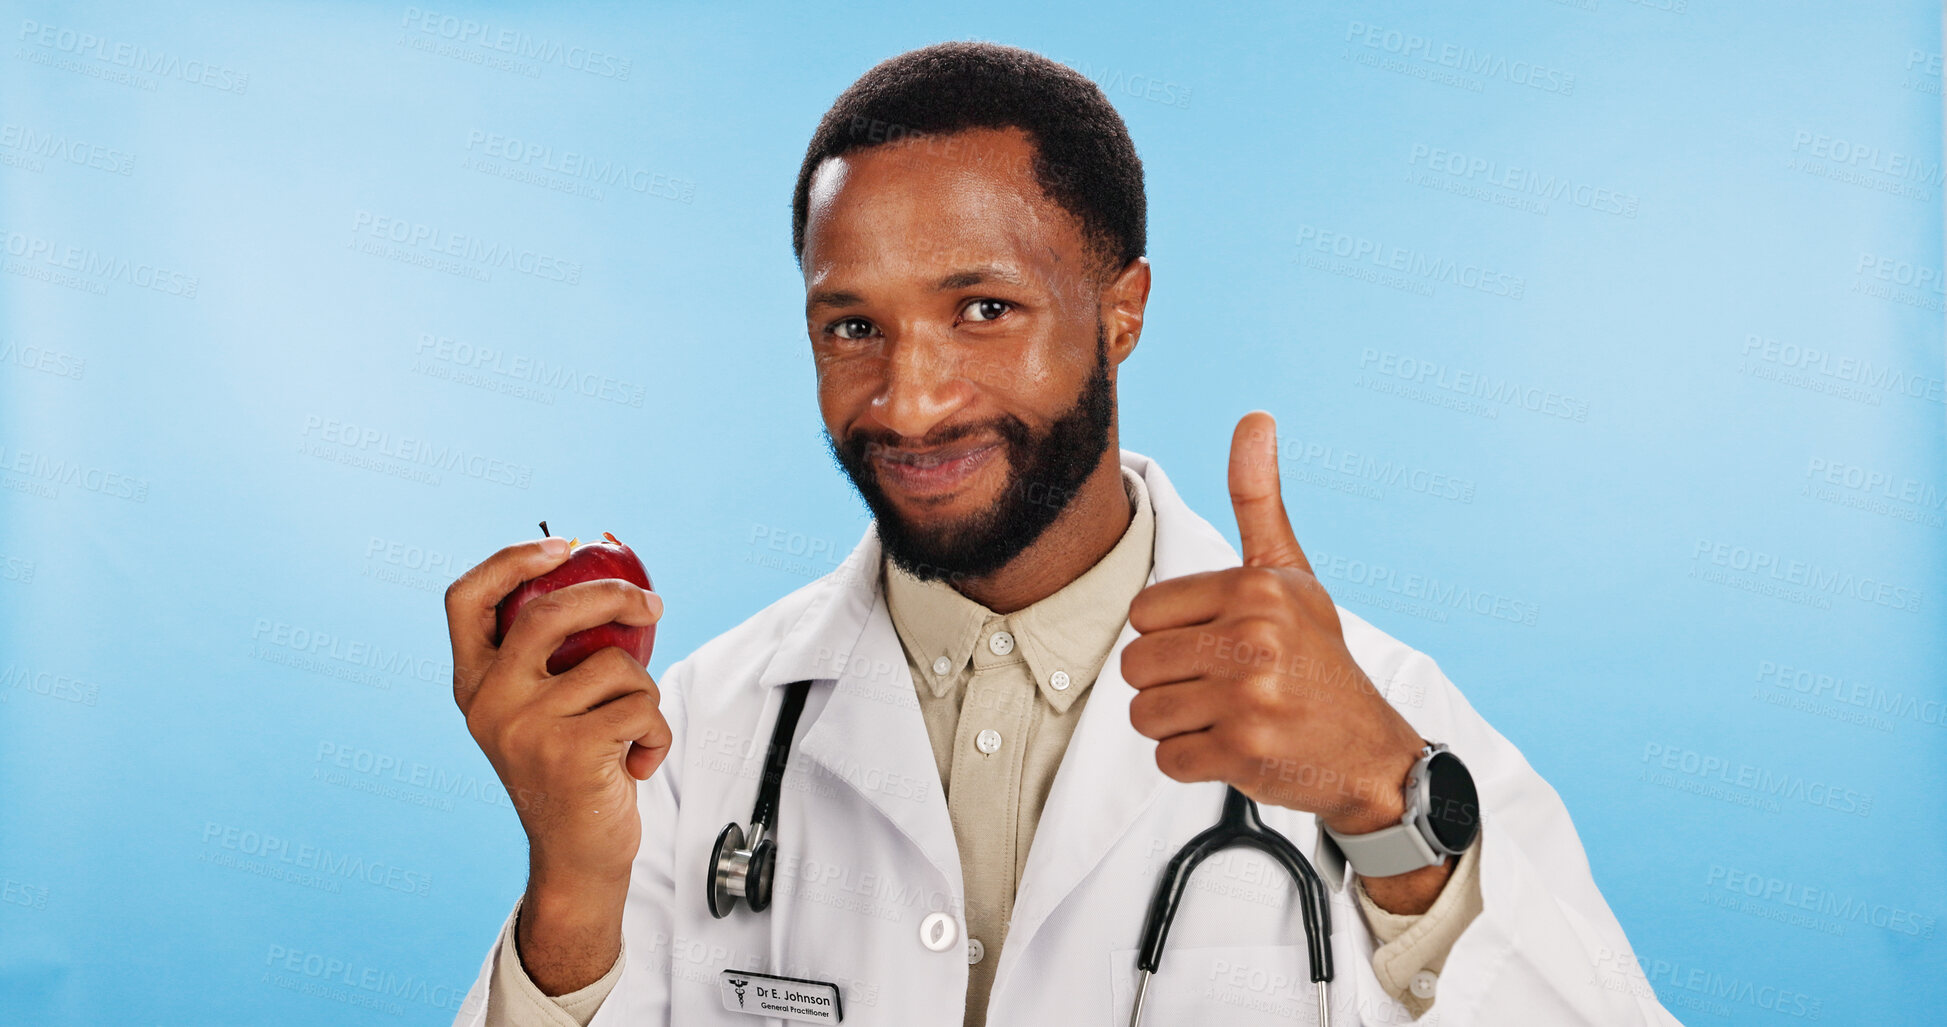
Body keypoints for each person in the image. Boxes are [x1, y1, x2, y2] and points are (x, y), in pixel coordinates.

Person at [444, 41, 1679, 1026]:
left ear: (1122, 311)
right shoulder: (697, 736)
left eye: (983, 308)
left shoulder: (1379, 719)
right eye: (851, 327)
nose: (909, 400)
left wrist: (1384, 808)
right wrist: (572, 885)